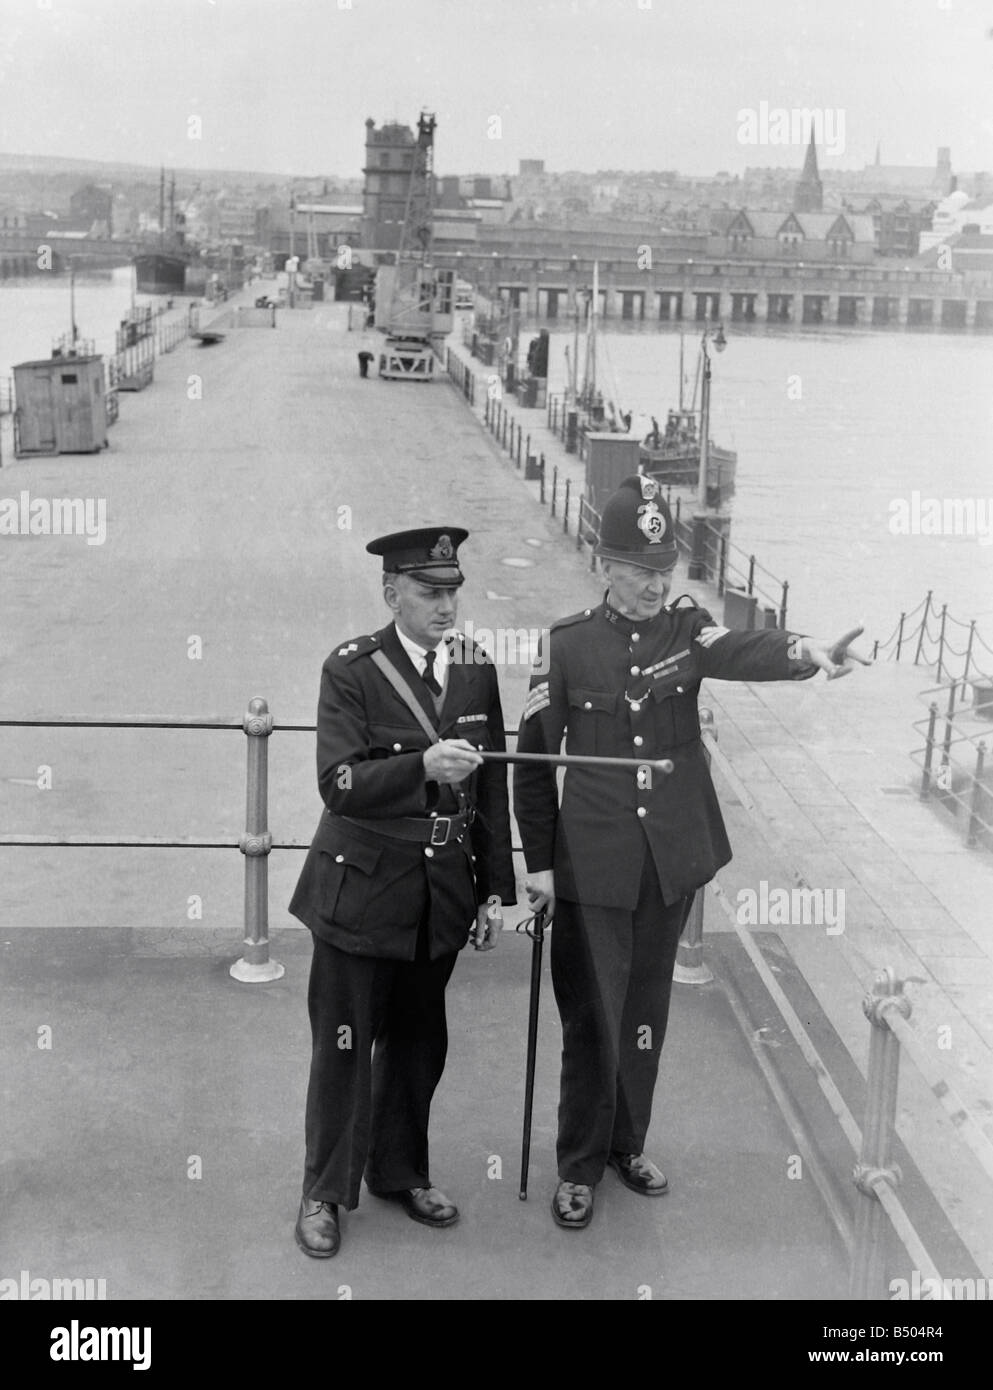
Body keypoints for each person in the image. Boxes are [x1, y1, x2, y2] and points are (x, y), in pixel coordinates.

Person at [513, 475, 868, 1231]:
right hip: (593, 867)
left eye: (663, 571)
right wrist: (538, 865)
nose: (654, 585)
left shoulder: (684, 628)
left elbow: (739, 648)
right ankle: (577, 1166)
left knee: (646, 1012)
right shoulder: (567, 646)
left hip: (667, 859)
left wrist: (806, 652)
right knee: (592, 1018)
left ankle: (624, 1145)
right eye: (640, 572)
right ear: (604, 565)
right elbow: (536, 765)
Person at [289, 527, 516, 1257]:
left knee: (419, 1045)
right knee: (345, 1047)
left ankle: (398, 1169)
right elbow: (340, 783)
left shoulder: (477, 668)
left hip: (440, 895)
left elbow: (492, 784)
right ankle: (323, 1193)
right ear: (392, 594)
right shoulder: (353, 670)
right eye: (429, 593)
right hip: (361, 893)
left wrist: (491, 889)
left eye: (452, 592)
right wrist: (421, 765)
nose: (446, 607)